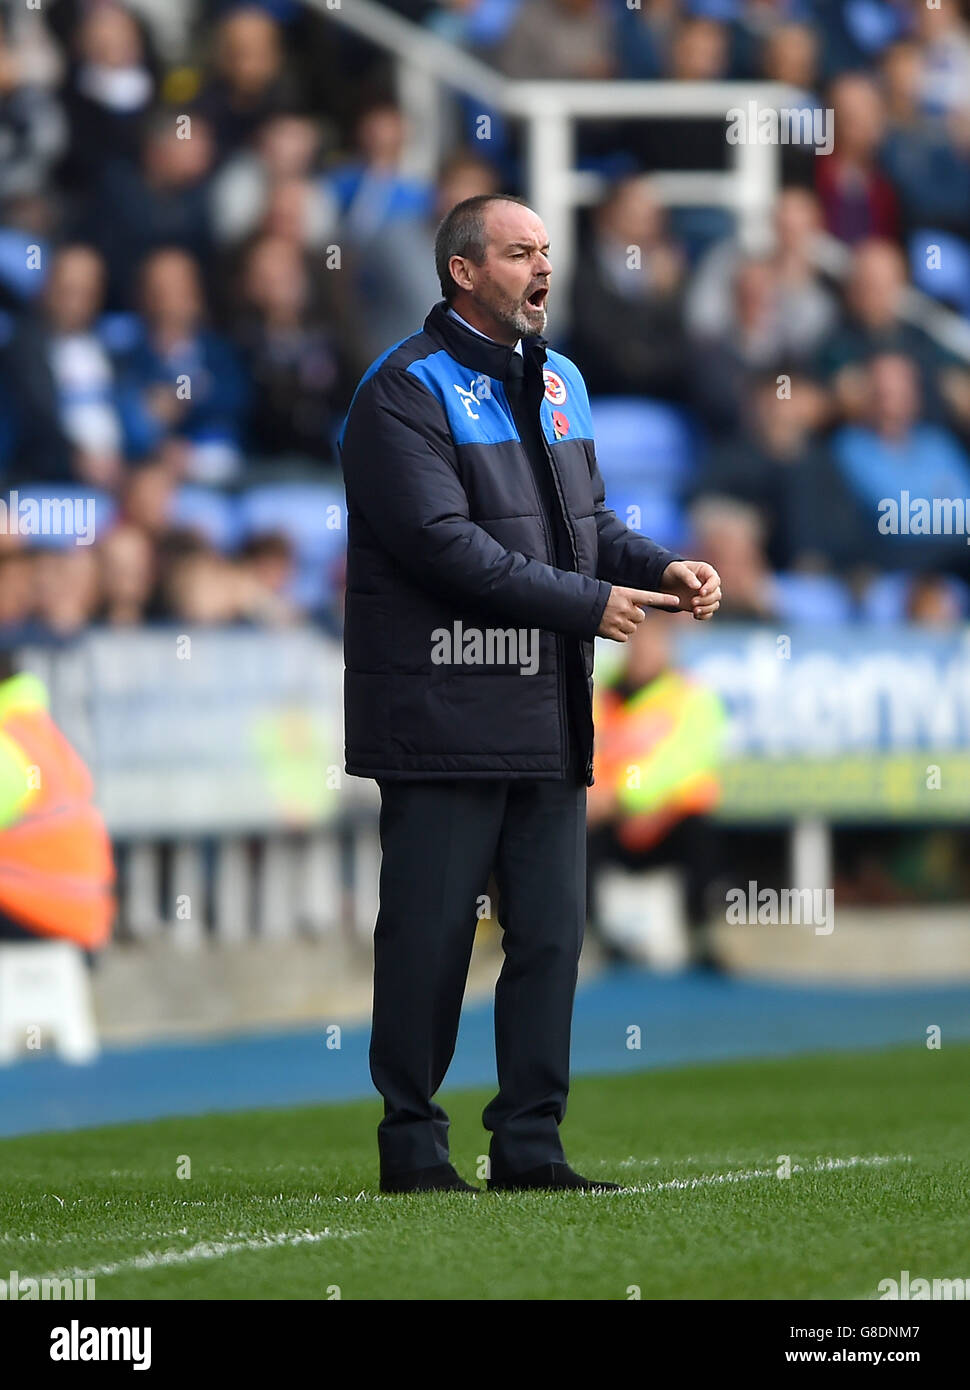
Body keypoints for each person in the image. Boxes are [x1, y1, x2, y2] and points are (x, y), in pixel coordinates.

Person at [338, 194, 722, 1195]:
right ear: (464, 271)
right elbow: (445, 549)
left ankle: (530, 1145)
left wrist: (662, 567)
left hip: (546, 710)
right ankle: (413, 1146)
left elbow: (585, 523)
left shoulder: (561, 380)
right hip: (441, 711)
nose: (542, 268)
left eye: (548, 251)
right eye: (519, 252)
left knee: (552, 935)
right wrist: (588, 602)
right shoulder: (401, 392)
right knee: (428, 939)